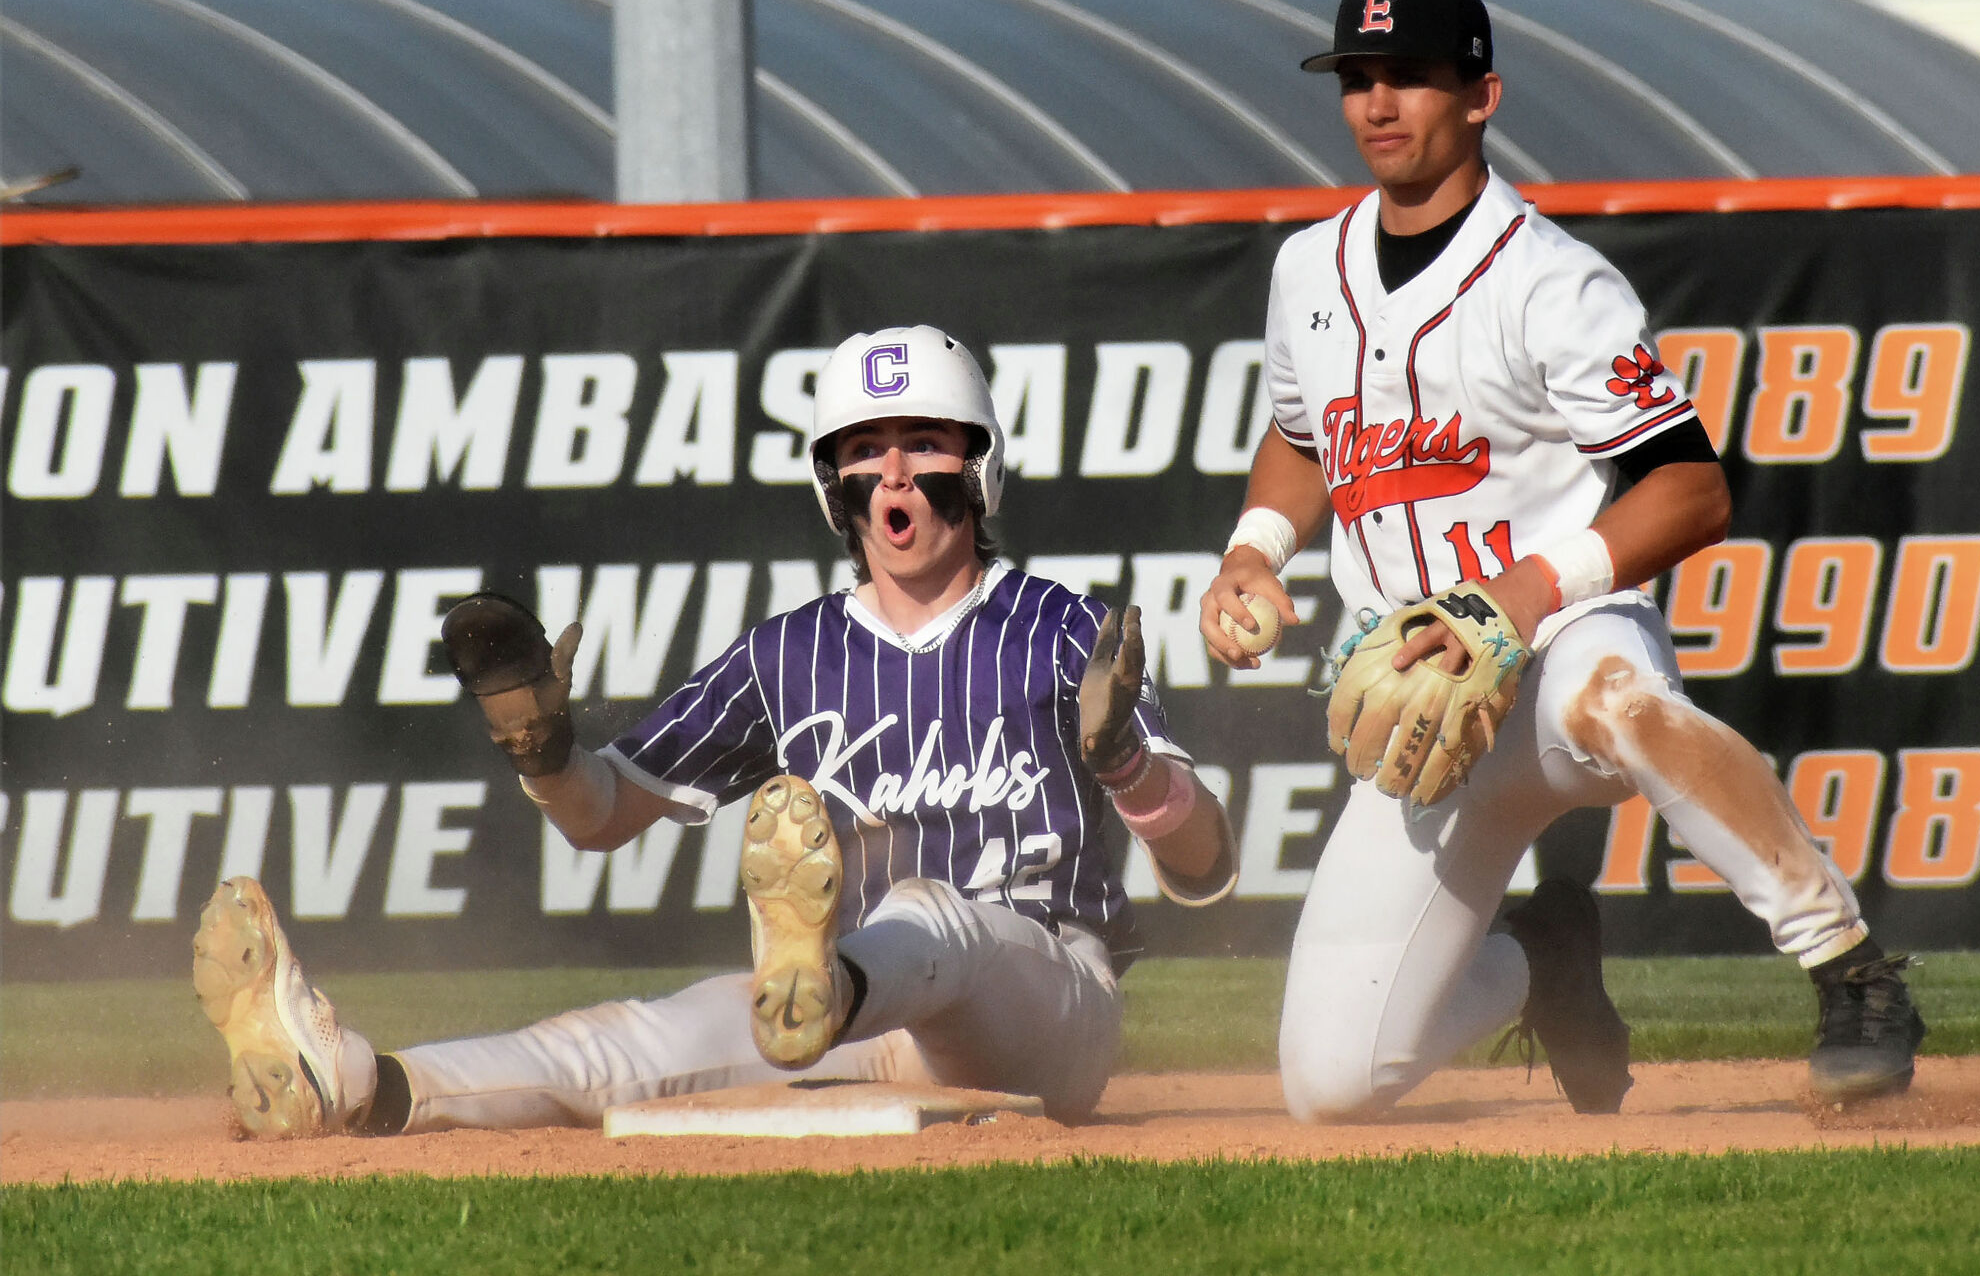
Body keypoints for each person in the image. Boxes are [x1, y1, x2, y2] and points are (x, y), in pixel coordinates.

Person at [194, 324, 1236, 1137]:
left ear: (981, 464)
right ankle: (359, 1085)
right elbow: (605, 815)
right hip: (849, 1017)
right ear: (832, 484)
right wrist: (551, 762)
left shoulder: (1063, 628)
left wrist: (1129, 767)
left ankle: (818, 982)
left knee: (936, 915)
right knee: (614, 1046)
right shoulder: (786, 654)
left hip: (1043, 1005)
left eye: (925, 442)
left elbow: (1204, 861)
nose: (896, 474)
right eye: (864, 450)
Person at [1198, 0, 1924, 1120]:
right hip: (1419, 710)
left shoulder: (1550, 282)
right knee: (1328, 1087)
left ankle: (1848, 972)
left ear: (1479, 94)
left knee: (1627, 710)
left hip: (1558, 647)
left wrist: (1520, 599)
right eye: (1358, 79)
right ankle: (1544, 959)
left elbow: (1690, 490)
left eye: (1412, 78)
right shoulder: (1307, 271)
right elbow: (1298, 436)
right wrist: (1252, 548)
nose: (1378, 103)